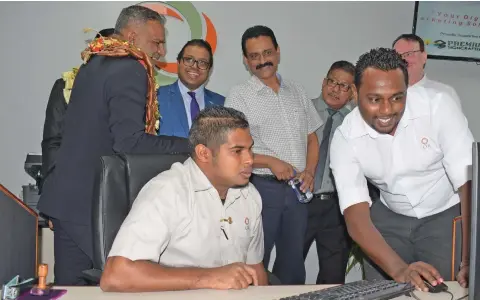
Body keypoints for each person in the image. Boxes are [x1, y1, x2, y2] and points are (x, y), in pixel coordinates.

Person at [37, 6, 192, 286]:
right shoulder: (130, 69)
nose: (161, 51)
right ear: (132, 37)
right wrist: (190, 146)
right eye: (156, 42)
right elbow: (129, 142)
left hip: (67, 201)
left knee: (71, 288)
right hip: (91, 206)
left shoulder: (93, 63)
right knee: (114, 286)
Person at [329, 48, 473, 291]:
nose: (387, 110)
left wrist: (470, 258)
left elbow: (469, 185)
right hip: (389, 218)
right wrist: (399, 270)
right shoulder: (346, 137)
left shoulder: (438, 107)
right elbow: (355, 216)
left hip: (444, 214)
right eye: (374, 99)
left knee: (442, 292)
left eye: (397, 97)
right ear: (355, 92)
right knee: (383, 292)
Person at [100, 106, 267, 292]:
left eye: (250, 149)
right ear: (204, 153)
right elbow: (116, 275)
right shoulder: (167, 191)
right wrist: (210, 277)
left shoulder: (249, 194)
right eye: (237, 151)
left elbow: (254, 268)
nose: (250, 160)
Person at [224, 25, 322, 284]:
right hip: (260, 189)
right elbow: (232, 149)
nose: (262, 61)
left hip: (298, 189)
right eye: (254, 56)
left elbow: (312, 138)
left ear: (278, 52)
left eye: (267, 52)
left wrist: (310, 172)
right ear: (246, 61)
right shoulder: (239, 95)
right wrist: (269, 161)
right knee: (257, 260)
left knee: (293, 260)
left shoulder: (297, 90)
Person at [40, 28, 115, 196]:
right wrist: (52, 194)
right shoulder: (66, 86)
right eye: (107, 51)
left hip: (119, 190)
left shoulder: (136, 92)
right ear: (94, 53)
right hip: (74, 188)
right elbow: (53, 143)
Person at [303, 60, 355, 284]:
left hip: (336, 207)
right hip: (301, 201)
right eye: (332, 82)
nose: (336, 89)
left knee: (333, 276)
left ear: (352, 92)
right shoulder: (303, 110)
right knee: (289, 269)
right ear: (324, 82)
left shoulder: (355, 122)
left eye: (344, 86)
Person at [158, 39, 225, 138]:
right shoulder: (156, 97)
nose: (195, 66)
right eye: (189, 60)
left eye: (202, 62)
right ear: (178, 62)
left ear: (209, 69)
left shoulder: (222, 104)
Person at [392, 34, 462, 110]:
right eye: (398, 56)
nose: (403, 60)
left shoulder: (444, 93)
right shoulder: (385, 93)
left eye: (409, 54)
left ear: (424, 57)